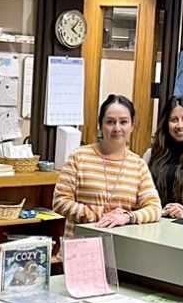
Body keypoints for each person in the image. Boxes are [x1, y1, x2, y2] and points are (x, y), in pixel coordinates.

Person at [53, 94, 161, 236]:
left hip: (121, 247)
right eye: (110, 122)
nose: (117, 128)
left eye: (123, 122)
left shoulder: (138, 165)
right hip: (80, 247)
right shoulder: (79, 157)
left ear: (132, 126)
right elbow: (60, 201)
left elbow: (154, 208)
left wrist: (127, 217)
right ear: (100, 125)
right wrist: (103, 214)